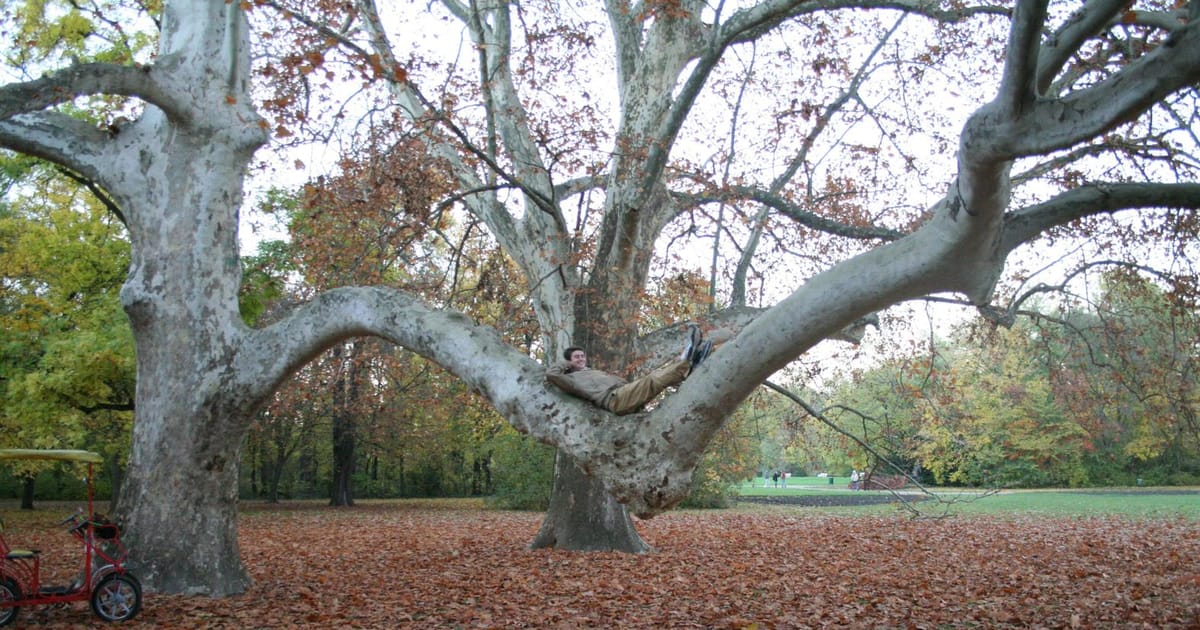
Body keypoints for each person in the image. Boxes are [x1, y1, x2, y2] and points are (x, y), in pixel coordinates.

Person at [545, 326, 725, 415]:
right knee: (653, 379)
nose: (581, 358)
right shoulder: (572, 378)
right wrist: (564, 364)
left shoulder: (592, 372)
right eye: (576, 357)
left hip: (624, 396)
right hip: (615, 400)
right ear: (569, 361)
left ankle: (691, 366)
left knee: (655, 382)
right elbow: (552, 375)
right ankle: (687, 360)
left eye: (582, 356)